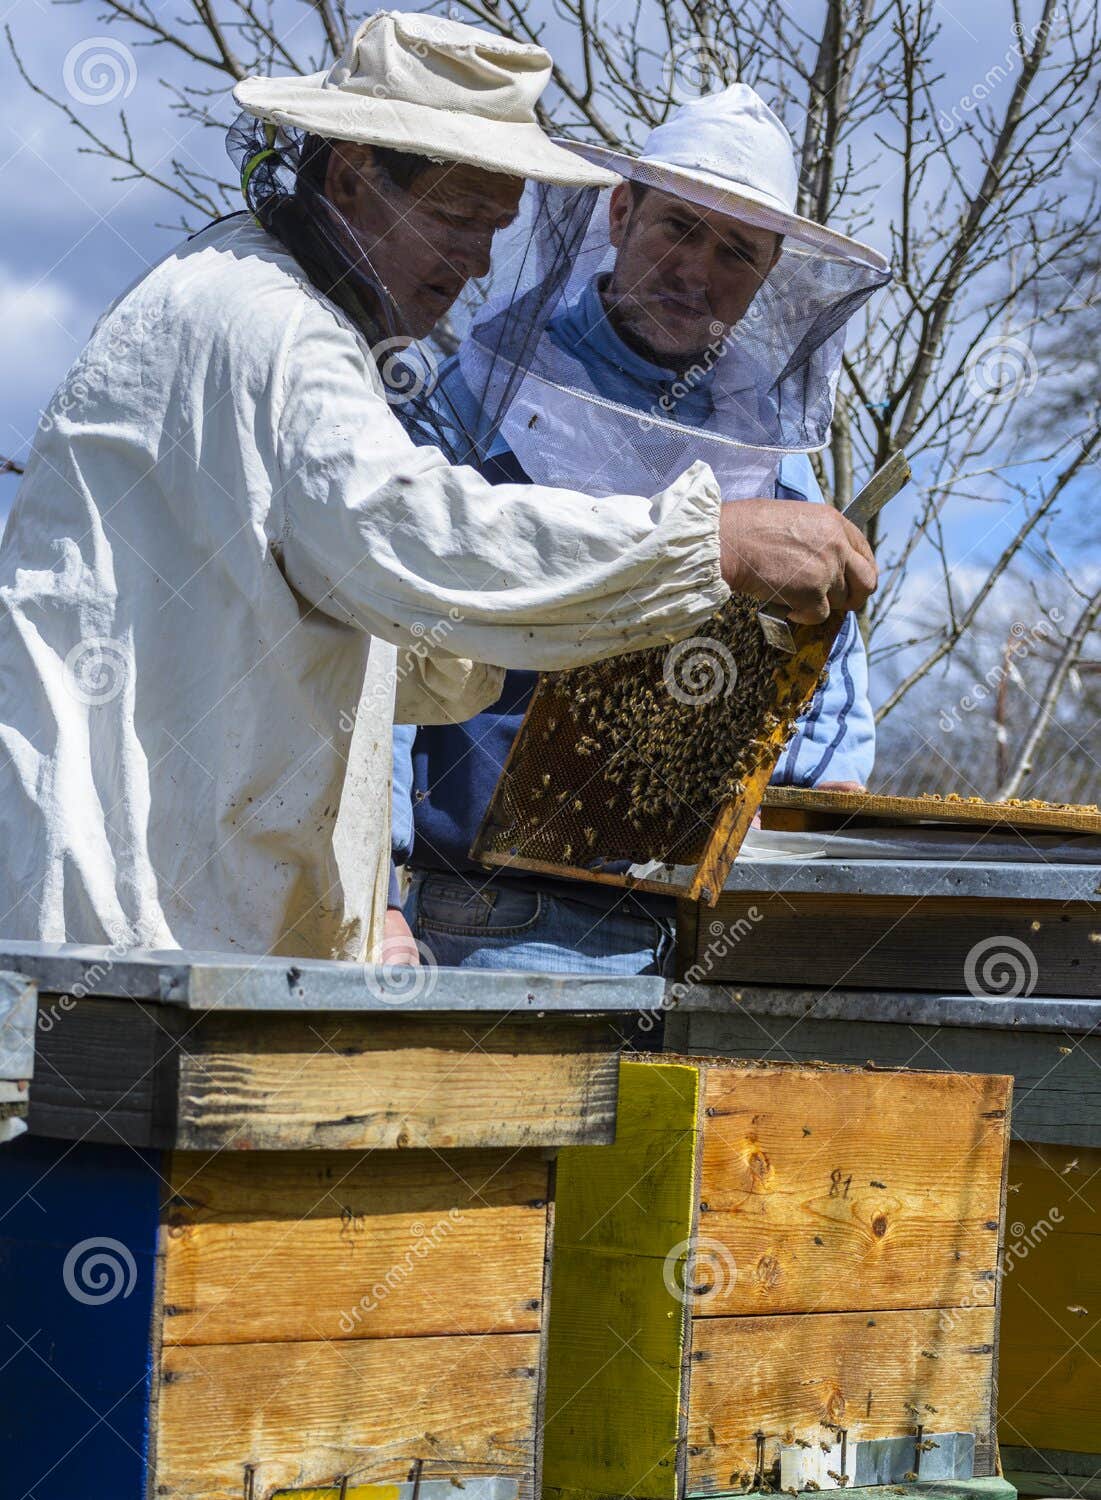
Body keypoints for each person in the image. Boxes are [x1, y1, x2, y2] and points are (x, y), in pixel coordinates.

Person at [0, 16, 875, 963]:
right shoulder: (278, 333)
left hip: (179, 903)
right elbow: (409, 540)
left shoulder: (271, 305)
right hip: (134, 913)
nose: (473, 263)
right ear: (349, 179)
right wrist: (707, 546)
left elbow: (354, 625)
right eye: (457, 221)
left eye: (494, 229)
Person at [393, 84, 888, 974]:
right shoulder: (477, 408)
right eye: (677, 229)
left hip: (696, 924)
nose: (697, 271)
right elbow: (376, 641)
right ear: (620, 213)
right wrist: (376, 896)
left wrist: (829, 835)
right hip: (489, 919)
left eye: (736, 251)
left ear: (770, 272)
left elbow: (829, 689)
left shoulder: (770, 451)